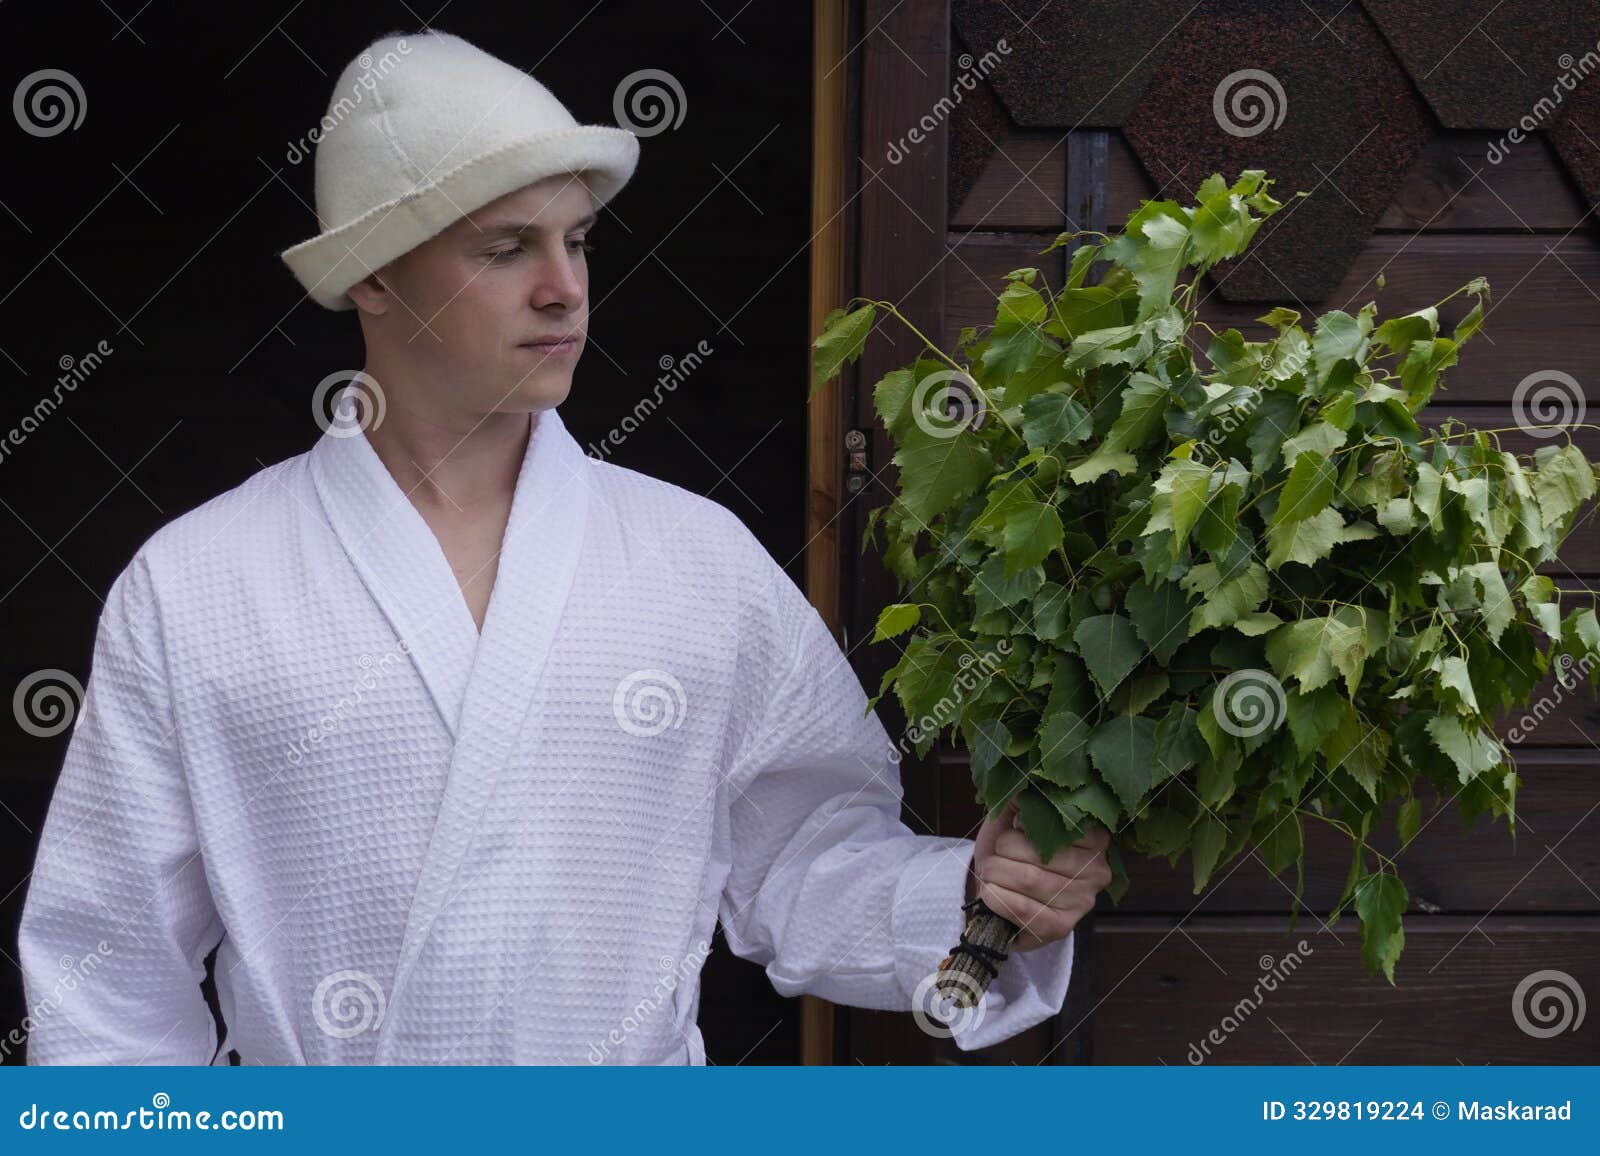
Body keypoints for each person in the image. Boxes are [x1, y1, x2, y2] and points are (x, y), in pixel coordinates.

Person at [16, 27, 1111, 1066]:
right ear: (374, 277)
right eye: (506, 249)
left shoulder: (696, 559)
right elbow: (107, 971)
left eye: (577, 240)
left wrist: (977, 900)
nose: (564, 286)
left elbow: (804, 854)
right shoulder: (199, 582)